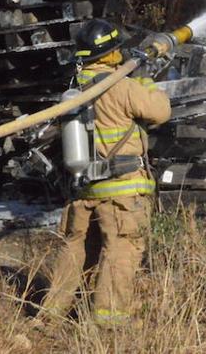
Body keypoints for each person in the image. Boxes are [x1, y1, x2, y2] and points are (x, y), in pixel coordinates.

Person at [41, 19, 171, 326]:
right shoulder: (122, 86)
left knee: (76, 250)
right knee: (122, 249)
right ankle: (109, 321)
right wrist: (145, 80)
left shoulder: (76, 88)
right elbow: (161, 111)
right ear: (112, 53)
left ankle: (51, 314)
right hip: (122, 189)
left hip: (84, 189)